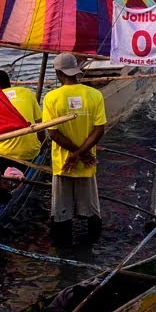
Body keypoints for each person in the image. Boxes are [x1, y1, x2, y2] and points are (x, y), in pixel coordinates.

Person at [41, 53, 106, 246]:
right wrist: (83, 154)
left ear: (59, 73)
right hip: (87, 164)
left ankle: (64, 252)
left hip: (64, 164)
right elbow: (99, 129)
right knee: (92, 212)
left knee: (61, 214)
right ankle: (91, 246)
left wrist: (74, 154)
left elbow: (53, 134)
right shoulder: (95, 95)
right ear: (75, 71)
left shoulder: (51, 97)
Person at [0, 70, 46, 174]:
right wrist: (43, 146)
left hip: (5, 154)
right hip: (31, 153)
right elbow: (40, 125)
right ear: (9, 82)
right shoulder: (27, 92)